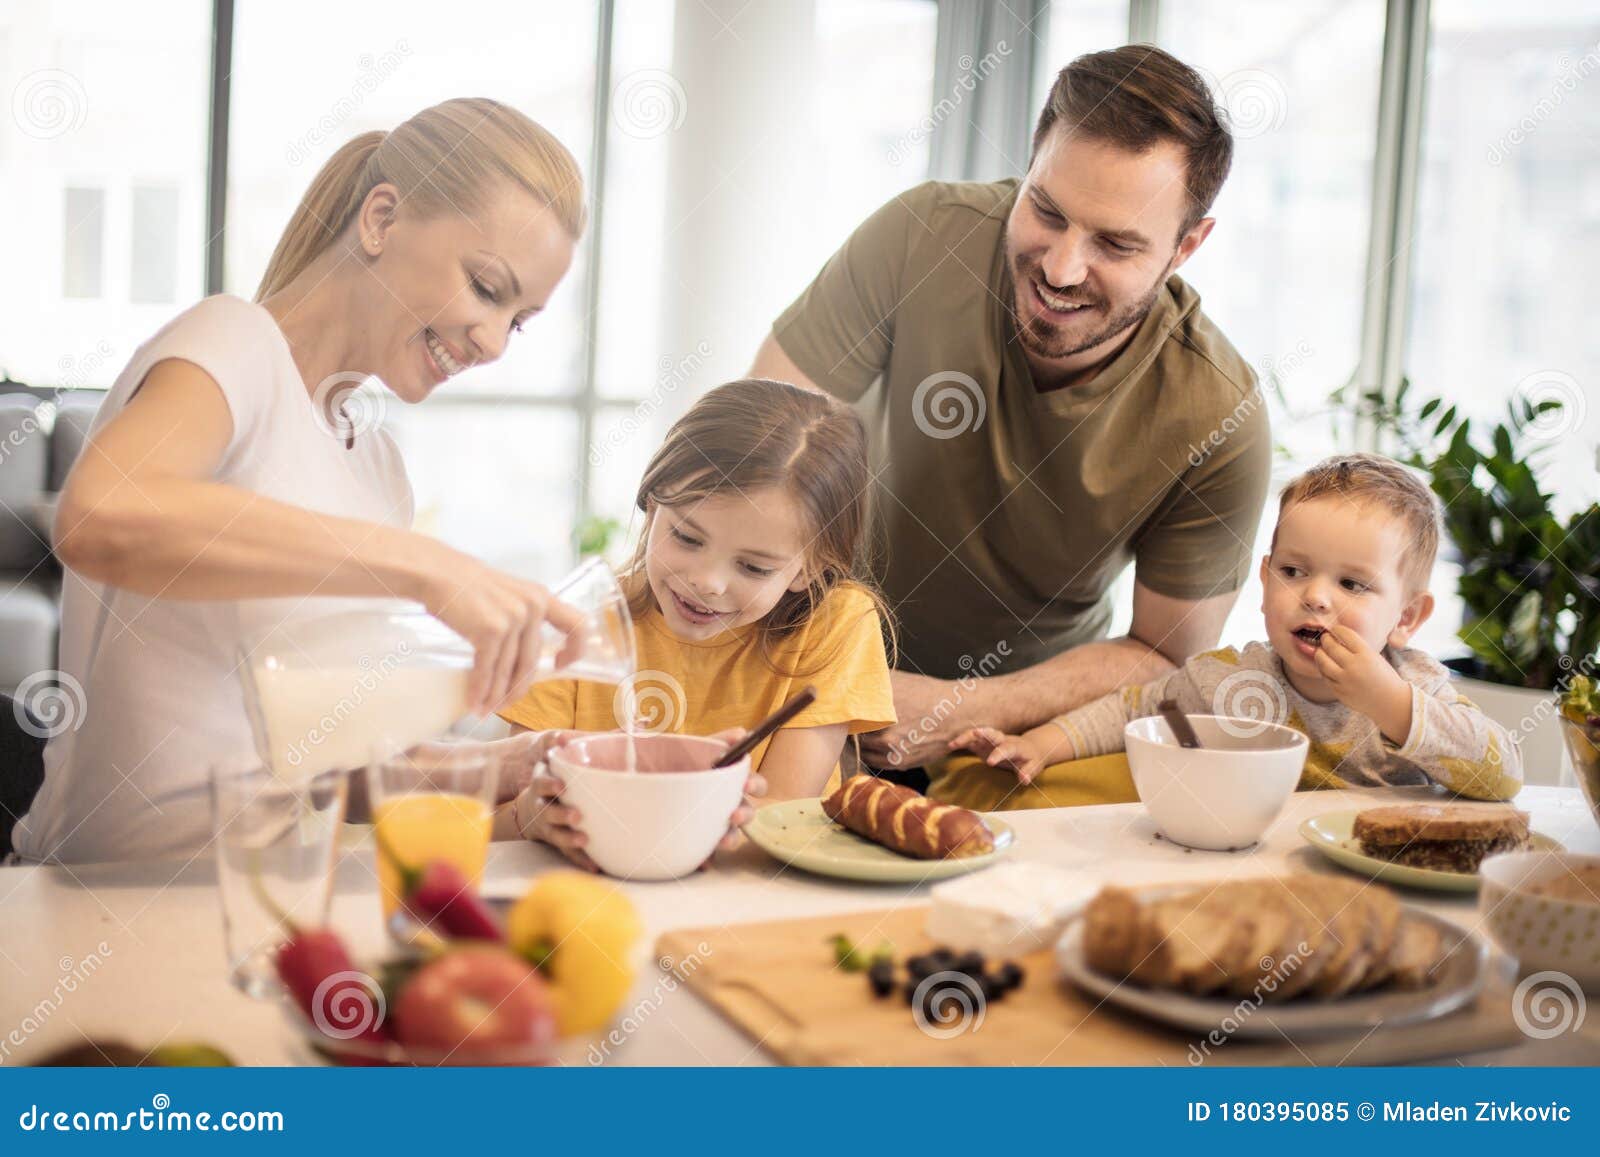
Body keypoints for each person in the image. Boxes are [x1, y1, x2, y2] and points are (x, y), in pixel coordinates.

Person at [14, 100, 758, 864]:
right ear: (380, 218)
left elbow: (320, 764)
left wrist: (509, 769)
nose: (495, 341)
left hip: (276, 903)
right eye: (486, 287)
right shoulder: (232, 343)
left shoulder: (376, 468)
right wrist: (432, 568)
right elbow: (102, 516)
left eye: (521, 319)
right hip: (104, 902)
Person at [749, 46, 1271, 802]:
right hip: (810, 669)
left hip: (1022, 732)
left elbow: (1168, 657)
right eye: (1046, 211)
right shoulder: (919, 236)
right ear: (1028, 164)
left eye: (1116, 244)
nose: (1060, 268)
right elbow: (758, 447)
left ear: (1187, 246)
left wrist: (961, 708)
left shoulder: (1220, 413)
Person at [950, 453, 1523, 802]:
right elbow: (1135, 710)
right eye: (1295, 572)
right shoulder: (1230, 680)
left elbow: (1503, 773)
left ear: (1406, 619)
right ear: (1267, 580)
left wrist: (1391, 704)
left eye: (1352, 585)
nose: (1316, 597)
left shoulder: (1417, 691)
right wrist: (1041, 744)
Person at [497, 379, 896, 869]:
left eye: (753, 568)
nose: (707, 582)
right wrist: (527, 817)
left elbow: (783, 816)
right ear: (651, 504)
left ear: (811, 567)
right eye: (686, 537)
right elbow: (496, 818)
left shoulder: (837, 624)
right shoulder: (579, 622)